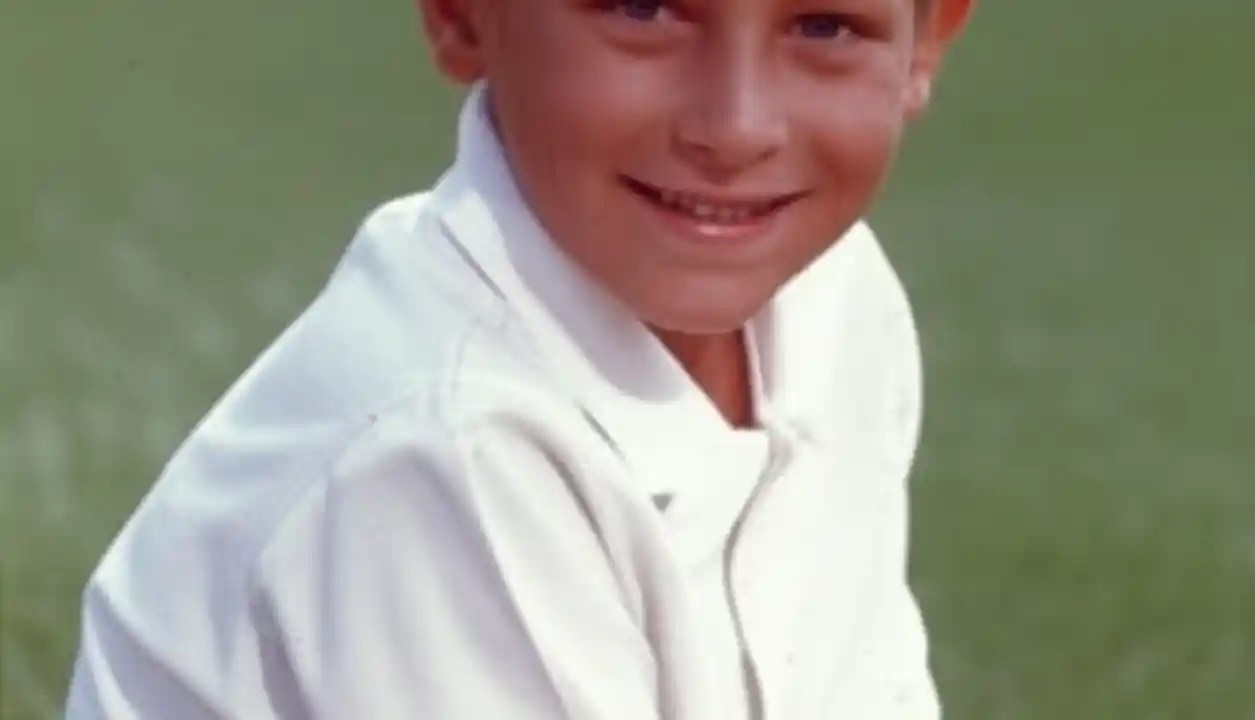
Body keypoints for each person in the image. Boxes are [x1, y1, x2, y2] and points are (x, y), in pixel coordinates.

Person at [65, 0, 974, 717]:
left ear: (925, 40)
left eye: (825, 26)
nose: (735, 127)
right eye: (642, 7)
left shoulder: (837, 297)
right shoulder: (447, 441)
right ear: (463, 14)